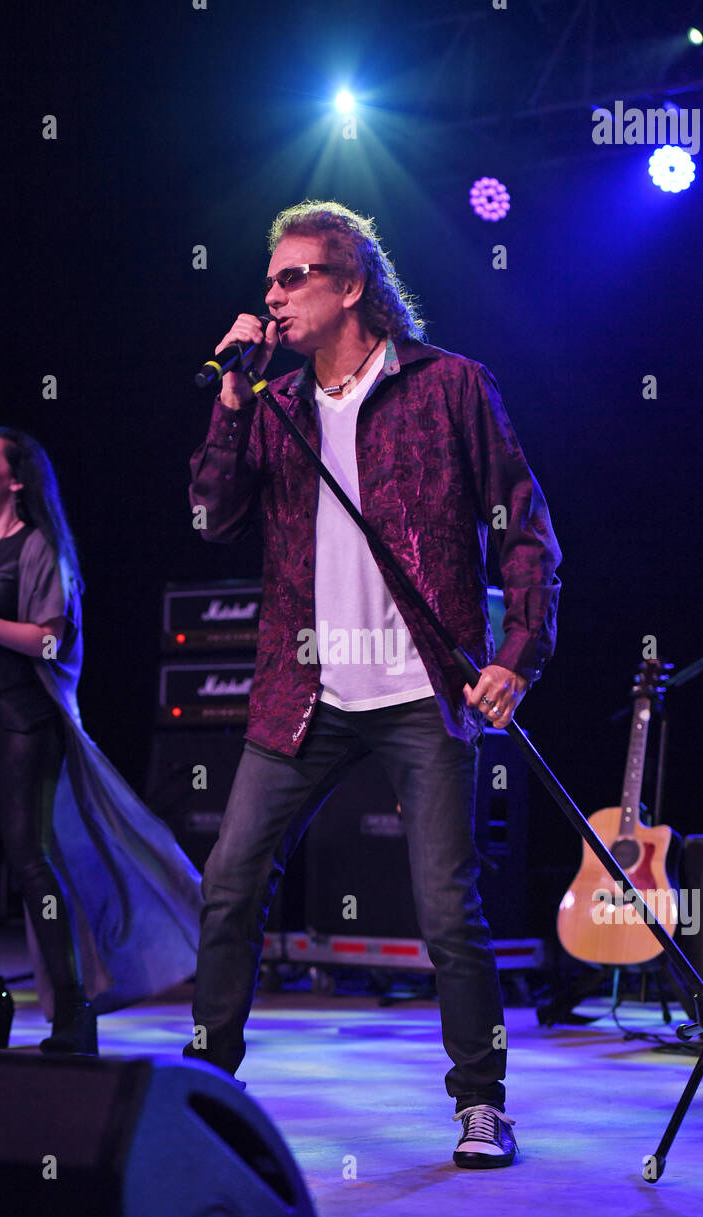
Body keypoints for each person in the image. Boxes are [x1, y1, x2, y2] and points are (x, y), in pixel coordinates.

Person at [185, 201, 561, 1168]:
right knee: (228, 883)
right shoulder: (271, 403)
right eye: (268, 281)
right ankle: (208, 1084)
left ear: (352, 285)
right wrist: (228, 402)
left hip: (420, 687)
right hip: (303, 687)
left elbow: (524, 529)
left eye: (291, 278)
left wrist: (516, 652)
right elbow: (212, 516)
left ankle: (481, 1103)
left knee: (445, 906)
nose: (269, 298)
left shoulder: (451, 388)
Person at [0, 428, 202, 1054]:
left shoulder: (39, 546)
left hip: (25, 720)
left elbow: (51, 640)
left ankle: (74, 1010)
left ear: (16, 481)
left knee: (29, 858)